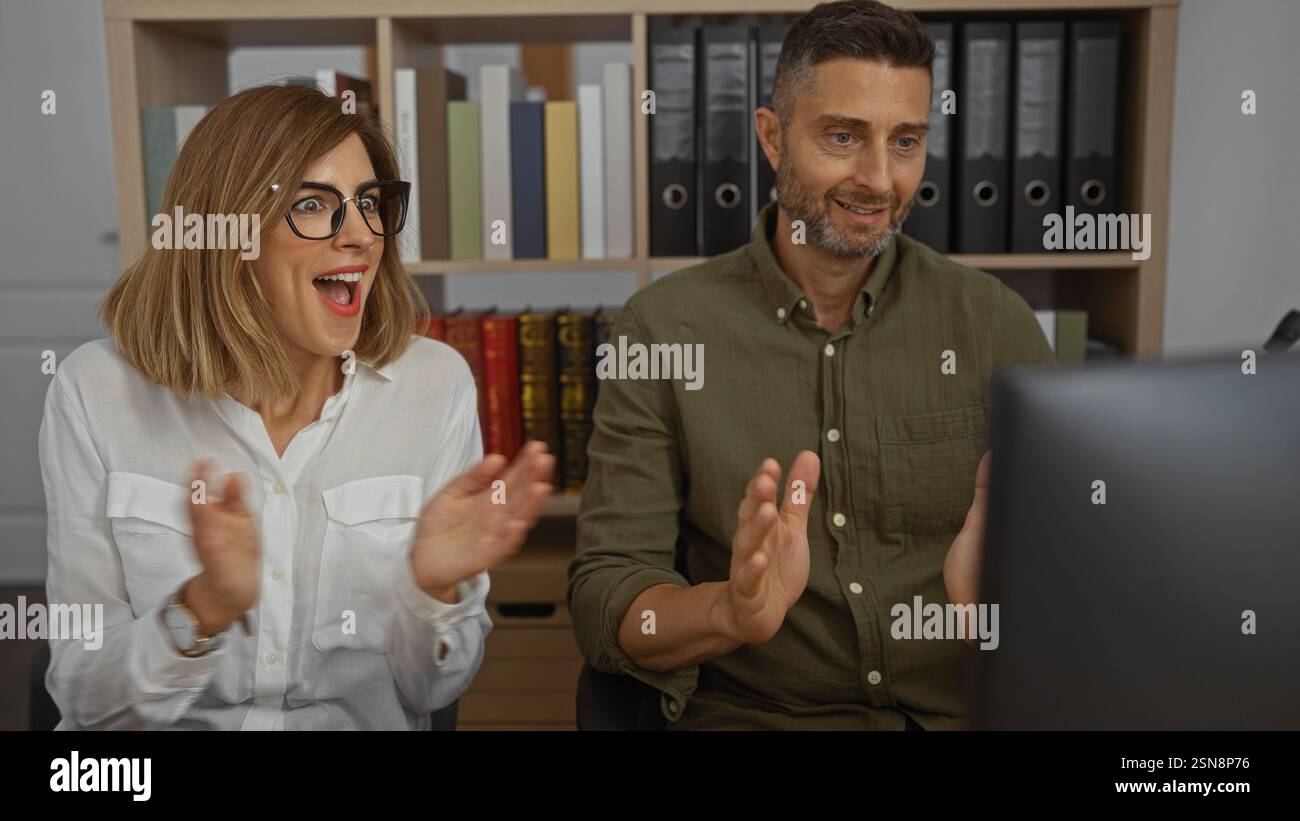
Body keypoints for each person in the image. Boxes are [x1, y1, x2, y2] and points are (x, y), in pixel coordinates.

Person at [568, 0, 1054, 729]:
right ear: (772, 137)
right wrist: (730, 611)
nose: (880, 179)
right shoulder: (663, 328)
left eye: (906, 141)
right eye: (842, 136)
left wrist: (993, 608)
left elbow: (1089, 595)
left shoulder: (992, 324)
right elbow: (607, 594)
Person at [40, 84, 554, 730]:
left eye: (370, 204)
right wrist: (200, 610)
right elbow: (83, 693)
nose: (363, 235)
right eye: (313, 205)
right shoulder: (95, 391)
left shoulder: (434, 383)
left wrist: (433, 590)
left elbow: (430, 691)